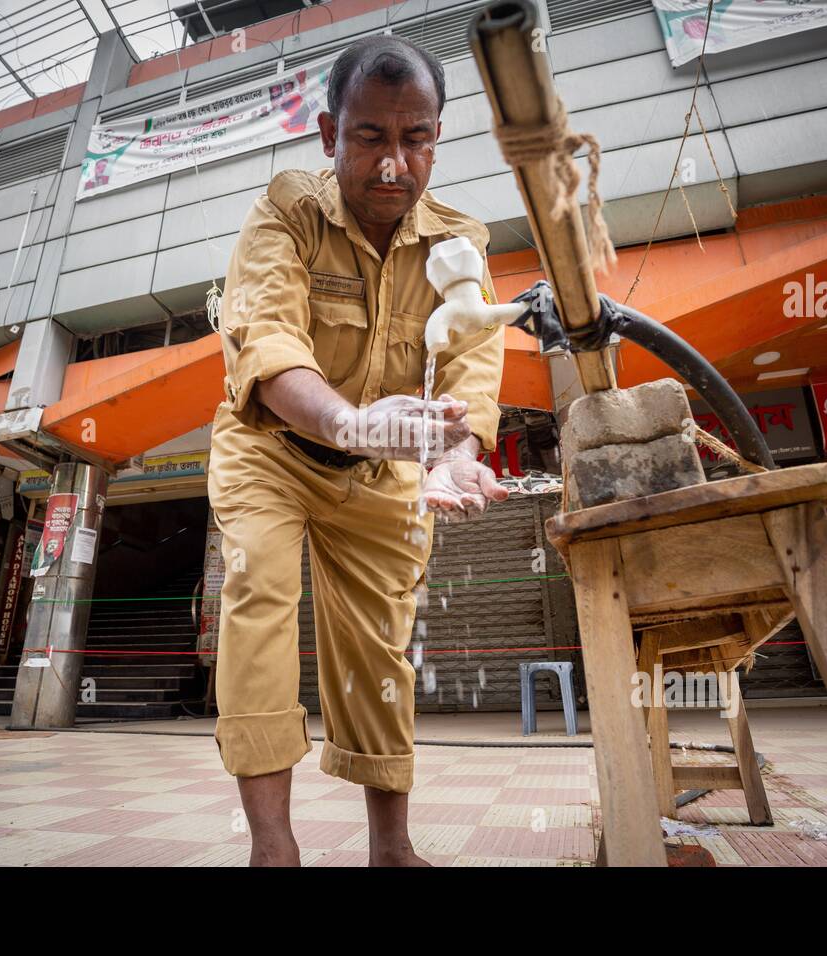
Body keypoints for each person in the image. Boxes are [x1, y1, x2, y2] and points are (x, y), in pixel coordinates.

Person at [209, 34, 508, 867]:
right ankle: (273, 848)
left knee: (384, 642)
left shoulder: (461, 245)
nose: (394, 165)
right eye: (370, 137)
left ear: (438, 137)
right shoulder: (286, 212)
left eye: (417, 139)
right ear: (328, 132)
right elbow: (269, 349)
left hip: (382, 474)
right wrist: (353, 423)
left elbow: (473, 367)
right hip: (271, 452)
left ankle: (392, 847)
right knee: (259, 595)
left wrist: (455, 454)